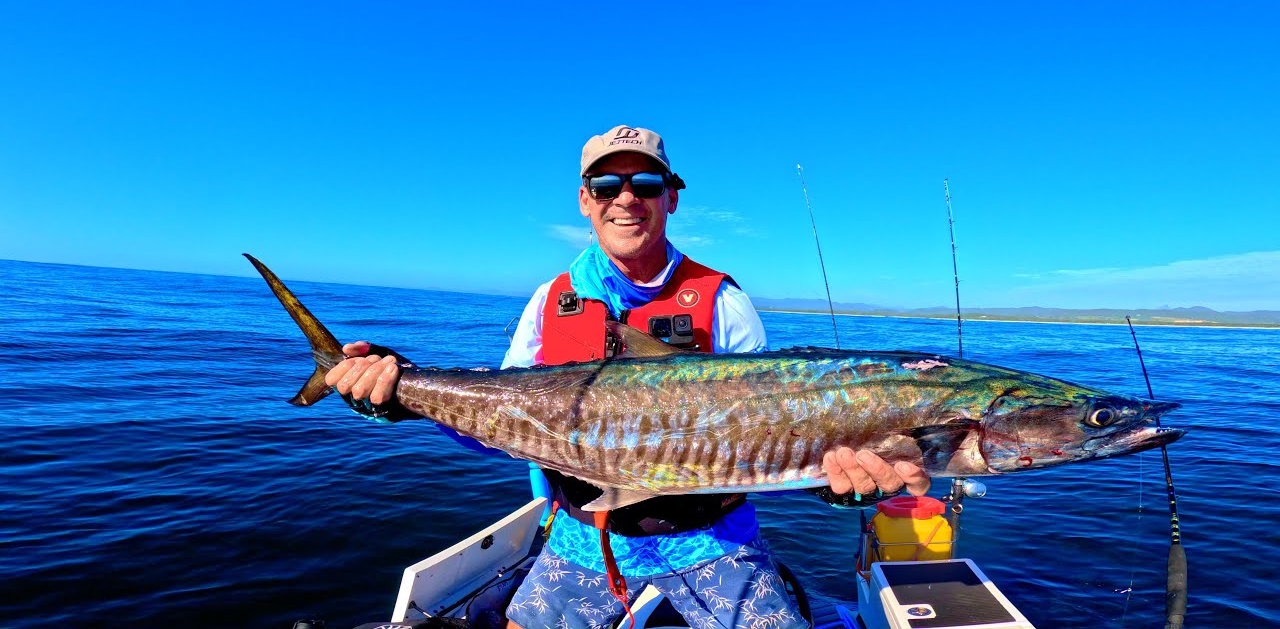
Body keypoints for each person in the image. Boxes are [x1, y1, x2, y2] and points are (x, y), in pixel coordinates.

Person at [326, 126, 931, 629]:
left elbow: (773, 436)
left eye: (645, 183)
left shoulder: (722, 302)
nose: (626, 198)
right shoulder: (549, 301)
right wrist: (397, 393)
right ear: (585, 200)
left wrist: (838, 485)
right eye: (606, 185)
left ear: (671, 197)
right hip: (582, 542)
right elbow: (499, 421)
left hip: (713, 540)